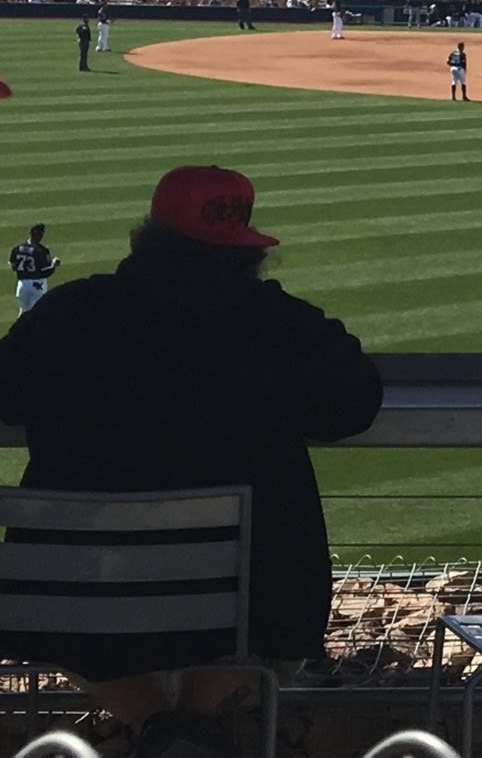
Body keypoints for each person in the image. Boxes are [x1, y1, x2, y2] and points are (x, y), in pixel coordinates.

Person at [0, 167, 381, 758]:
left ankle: (159, 726)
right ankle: (194, 723)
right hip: (251, 607)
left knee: (89, 614)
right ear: (245, 252)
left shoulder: (67, 315)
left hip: (76, 599)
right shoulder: (284, 327)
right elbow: (353, 407)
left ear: (147, 237)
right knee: (262, 603)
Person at [9, 225, 56, 316]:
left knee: (23, 313)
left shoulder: (17, 248)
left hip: (22, 285)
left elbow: (13, 267)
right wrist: (54, 264)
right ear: (37, 234)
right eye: (41, 233)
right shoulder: (42, 250)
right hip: (37, 285)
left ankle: (20, 330)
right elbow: (47, 271)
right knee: (37, 314)